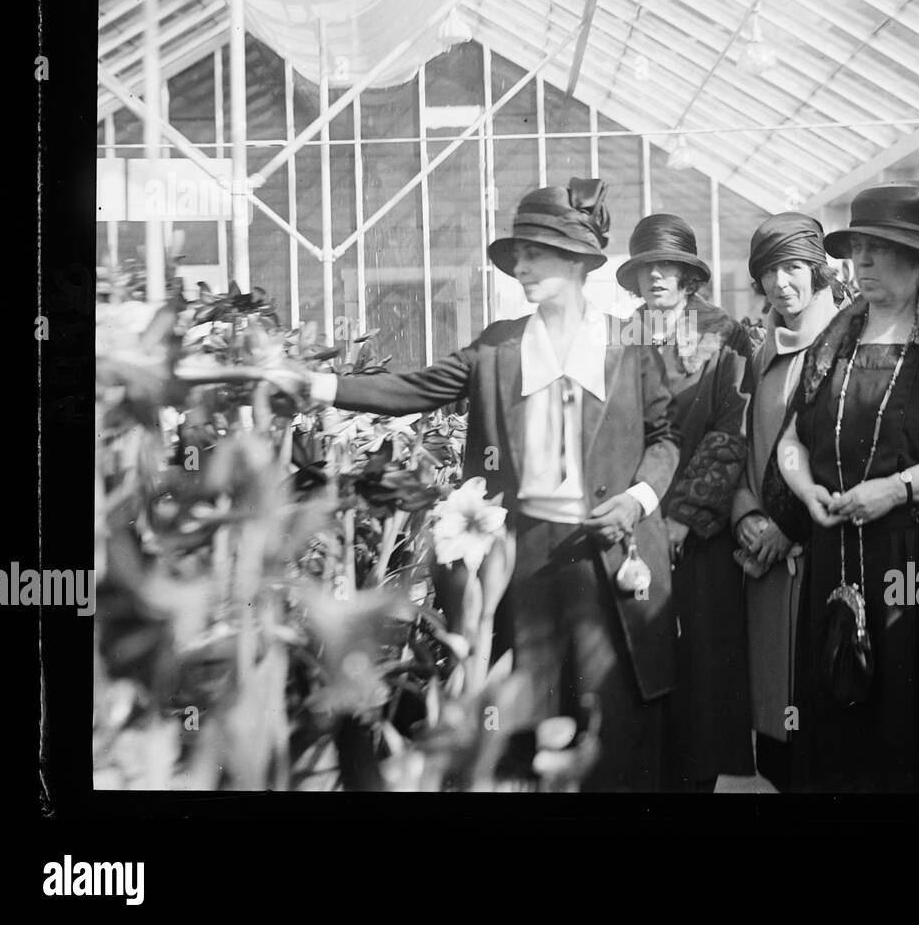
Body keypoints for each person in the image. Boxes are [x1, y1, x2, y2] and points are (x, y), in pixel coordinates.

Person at [266, 179, 680, 791]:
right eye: (518, 257)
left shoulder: (628, 346)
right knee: (521, 721)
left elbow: (666, 438)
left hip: (609, 558)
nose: (521, 268)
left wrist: (636, 500)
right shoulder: (498, 348)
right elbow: (415, 388)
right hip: (522, 561)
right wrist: (316, 385)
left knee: (611, 726)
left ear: (576, 262)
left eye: (535, 255)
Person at [776, 182, 919, 793]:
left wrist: (898, 488)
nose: (864, 262)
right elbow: (791, 439)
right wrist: (805, 490)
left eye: (880, 249)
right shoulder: (834, 340)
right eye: (858, 249)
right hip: (835, 561)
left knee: (911, 734)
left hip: (916, 567)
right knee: (840, 734)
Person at [618, 214, 755, 792]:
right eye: (645, 266)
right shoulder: (618, 338)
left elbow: (732, 431)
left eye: (667, 266)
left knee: (700, 676)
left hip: (699, 530)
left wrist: (682, 520)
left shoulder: (725, 336)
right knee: (637, 669)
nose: (655, 276)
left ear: (689, 275)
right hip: (634, 525)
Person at [728, 212, 846, 792]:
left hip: (818, 555)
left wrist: (789, 527)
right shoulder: (763, 354)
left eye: (794, 267)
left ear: (818, 270)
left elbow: (846, 455)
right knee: (776, 748)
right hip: (767, 567)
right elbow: (743, 444)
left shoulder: (847, 344)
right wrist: (746, 515)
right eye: (769, 271)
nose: (780, 283)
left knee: (820, 738)